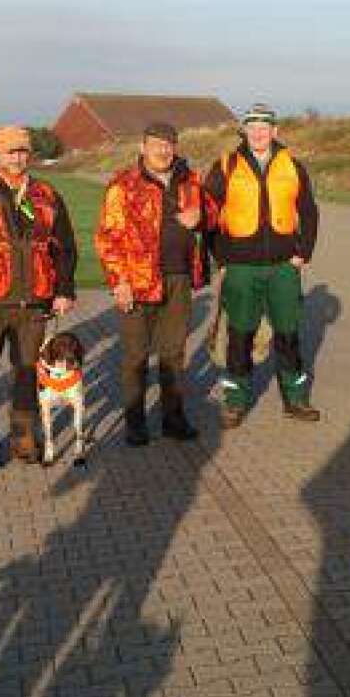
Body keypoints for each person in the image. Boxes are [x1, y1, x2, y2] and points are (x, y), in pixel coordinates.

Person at [0, 126, 77, 466]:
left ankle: (24, 438)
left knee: (27, 373)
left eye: (23, 151)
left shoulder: (46, 194)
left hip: (34, 304)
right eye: (10, 151)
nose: (17, 157)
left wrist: (64, 290)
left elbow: (65, 247)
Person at [95, 122, 214, 446]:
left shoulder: (191, 180)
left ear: (175, 147)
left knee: (173, 353)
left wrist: (201, 216)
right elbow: (108, 238)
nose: (163, 150)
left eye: (168, 144)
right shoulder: (123, 185)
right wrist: (119, 281)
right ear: (143, 147)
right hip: (137, 282)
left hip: (178, 278)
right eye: (156, 144)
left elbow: (213, 215)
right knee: (135, 356)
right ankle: (135, 422)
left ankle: (173, 419)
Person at [203, 104, 319, 427]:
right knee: (239, 335)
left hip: (284, 266)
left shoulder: (293, 165)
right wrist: (221, 258)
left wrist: (303, 253)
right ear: (244, 131)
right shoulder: (226, 166)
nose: (258, 133)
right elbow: (209, 214)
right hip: (240, 267)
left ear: (274, 131)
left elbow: (309, 211)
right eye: (252, 127)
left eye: (264, 127)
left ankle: (295, 399)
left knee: (288, 334)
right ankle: (235, 402)